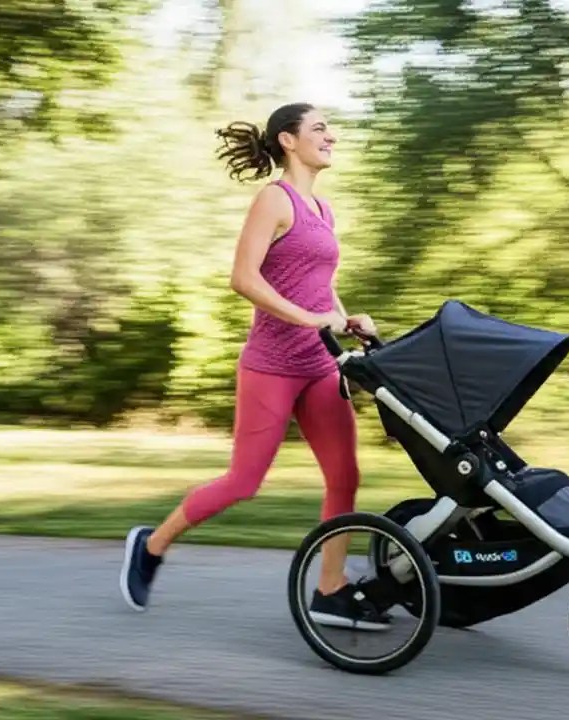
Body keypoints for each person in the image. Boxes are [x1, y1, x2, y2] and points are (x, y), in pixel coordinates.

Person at [120, 102, 390, 630]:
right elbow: (244, 278)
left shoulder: (323, 209)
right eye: (319, 128)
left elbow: (319, 287)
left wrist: (343, 316)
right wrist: (311, 318)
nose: (330, 136)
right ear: (289, 141)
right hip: (271, 365)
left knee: (345, 476)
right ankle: (150, 546)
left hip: (320, 365)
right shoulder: (273, 199)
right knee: (244, 482)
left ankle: (330, 589)